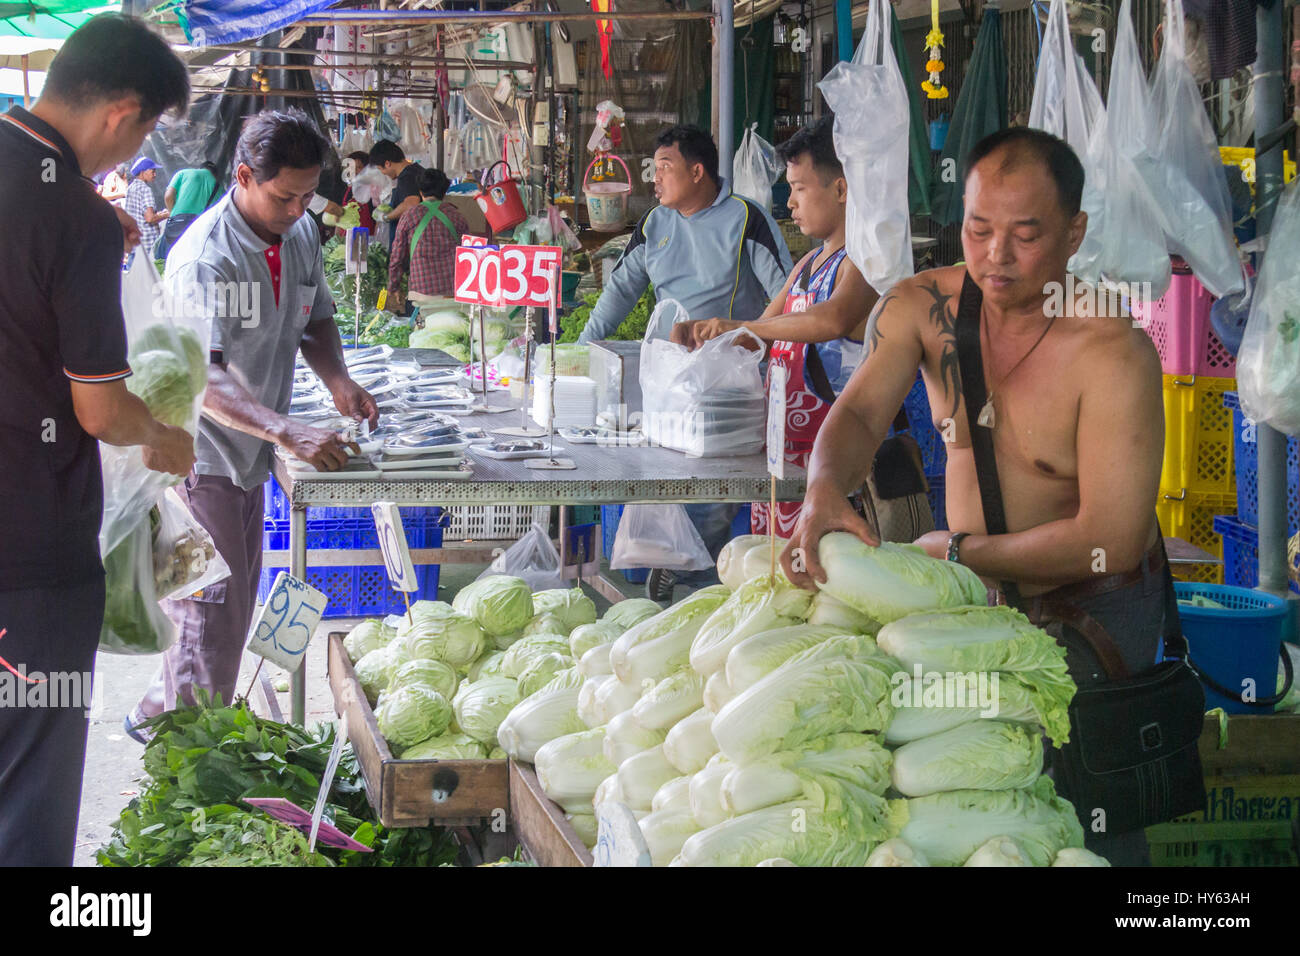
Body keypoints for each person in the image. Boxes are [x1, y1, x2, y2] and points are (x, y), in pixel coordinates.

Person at [781, 127, 1171, 865]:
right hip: (973, 595)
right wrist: (825, 487)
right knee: (959, 805)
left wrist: (960, 553)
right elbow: (862, 413)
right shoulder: (924, 308)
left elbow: (1109, 539)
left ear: (1074, 232)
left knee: (1078, 816)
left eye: (1025, 235)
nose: (996, 255)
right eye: (978, 228)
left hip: (1092, 610)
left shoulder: (1112, 351)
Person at [0, 13, 194, 867]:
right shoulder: (71, 214)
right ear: (123, 112)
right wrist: (163, 438)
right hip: (28, 547)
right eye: (147, 127)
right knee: (31, 779)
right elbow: (100, 410)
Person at [126, 109, 378, 739]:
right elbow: (201, 381)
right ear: (243, 176)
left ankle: (161, 712)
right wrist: (288, 431)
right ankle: (182, 743)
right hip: (197, 459)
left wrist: (338, 379)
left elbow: (316, 317)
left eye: (306, 196)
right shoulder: (204, 259)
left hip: (250, 455)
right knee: (208, 612)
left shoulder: (298, 236)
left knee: (228, 610)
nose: (298, 210)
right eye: (284, 196)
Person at [578, 124, 792, 601]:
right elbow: (621, 290)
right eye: (654, 170)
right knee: (664, 473)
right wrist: (580, 348)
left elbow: (787, 297)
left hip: (732, 383)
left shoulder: (745, 220)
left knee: (715, 485)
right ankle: (680, 567)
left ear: (698, 172)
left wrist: (749, 337)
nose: (655, 179)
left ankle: (696, 576)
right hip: (670, 380)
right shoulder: (655, 223)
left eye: (665, 168)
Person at [672, 116, 877, 538]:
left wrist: (742, 325)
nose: (791, 204)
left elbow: (833, 318)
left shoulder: (863, 262)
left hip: (835, 473)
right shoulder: (806, 266)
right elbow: (760, 335)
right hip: (781, 465)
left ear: (841, 189)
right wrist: (709, 335)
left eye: (800, 189)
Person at [388, 167, 470, 310]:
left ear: (420, 191)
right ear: (444, 192)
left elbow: (397, 256)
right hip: (451, 291)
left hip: (421, 290)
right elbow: (468, 253)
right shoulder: (457, 216)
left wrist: (393, 286)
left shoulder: (409, 216)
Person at [155, 159, 222, 259]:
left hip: (177, 223)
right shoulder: (218, 186)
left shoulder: (183, 173)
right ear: (215, 174)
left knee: (164, 259)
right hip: (200, 229)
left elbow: (168, 196)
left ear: (200, 168)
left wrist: (172, 212)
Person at [369, 138, 424, 245]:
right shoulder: (418, 170)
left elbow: (411, 204)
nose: (383, 173)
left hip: (411, 243)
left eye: (381, 169)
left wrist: (385, 217)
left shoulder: (407, 176)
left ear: (387, 163)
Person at [124, 154, 166, 260]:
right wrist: (167, 214)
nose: (155, 174)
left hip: (136, 244)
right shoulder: (145, 189)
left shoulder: (130, 188)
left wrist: (160, 214)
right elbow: (150, 218)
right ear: (143, 172)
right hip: (148, 244)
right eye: (152, 171)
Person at [339, 150, 377, 236]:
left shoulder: (373, 192)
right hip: (345, 240)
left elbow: (378, 221)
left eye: (359, 167)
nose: (354, 171)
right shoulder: (347, 189)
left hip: (366, 241)